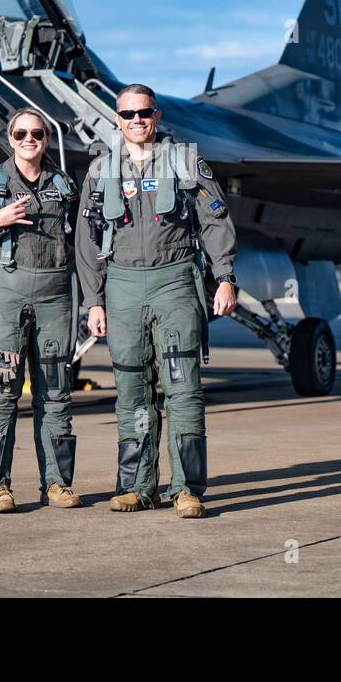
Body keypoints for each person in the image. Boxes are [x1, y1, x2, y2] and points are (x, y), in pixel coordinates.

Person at [76, 84, 237, 518]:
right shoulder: (101, 171)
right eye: (127, 114)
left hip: (175, 281)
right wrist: (93, 301)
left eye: (143, 112)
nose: (136, 121)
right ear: (117, 118)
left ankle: (186, 489)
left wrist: (224, 278)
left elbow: (215, 219)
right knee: (131, 391)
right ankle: (137, 486)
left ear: (157, 115)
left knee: (183, 387)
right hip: (123, 285)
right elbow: (87, 243)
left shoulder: (186, 162)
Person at [0, 108, 81, 514]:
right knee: (0, 391)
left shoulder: (64, 185)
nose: (30, 139)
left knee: (55, 393)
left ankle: (57, 485)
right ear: (10, 137)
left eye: (37, 133)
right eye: (21, 133)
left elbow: (86, 246)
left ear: (45, 138)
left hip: (55, 300)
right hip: (5, 299)